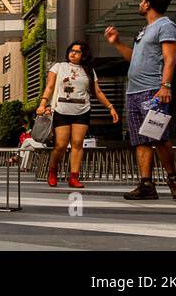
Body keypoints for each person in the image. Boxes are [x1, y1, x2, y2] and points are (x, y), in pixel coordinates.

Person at [106, 0, 176, 200]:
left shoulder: (166, 26)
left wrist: (165, 86)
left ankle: (173, 180)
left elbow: (170, 58)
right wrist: (116, 43)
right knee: (140, 140)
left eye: (142, 0)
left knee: (158, 136)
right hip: (133, 92)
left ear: (149, 4)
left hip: (153, 90)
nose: (140, 4)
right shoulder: (145, 30)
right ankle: (146, 185)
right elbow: (133, 59)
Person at [37, 41, 118, 188]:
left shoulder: (88, 71)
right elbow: (49, 87)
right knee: (60, 145)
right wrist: (42, 104)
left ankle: (74, 177)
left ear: (84, 55)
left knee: (77, 144)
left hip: (82, 110)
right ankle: (53, 170)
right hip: (61, 109)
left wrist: (110, 107)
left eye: (77, 51)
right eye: (71, 50)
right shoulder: (59, 67)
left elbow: (97, 92)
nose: (73, 53)